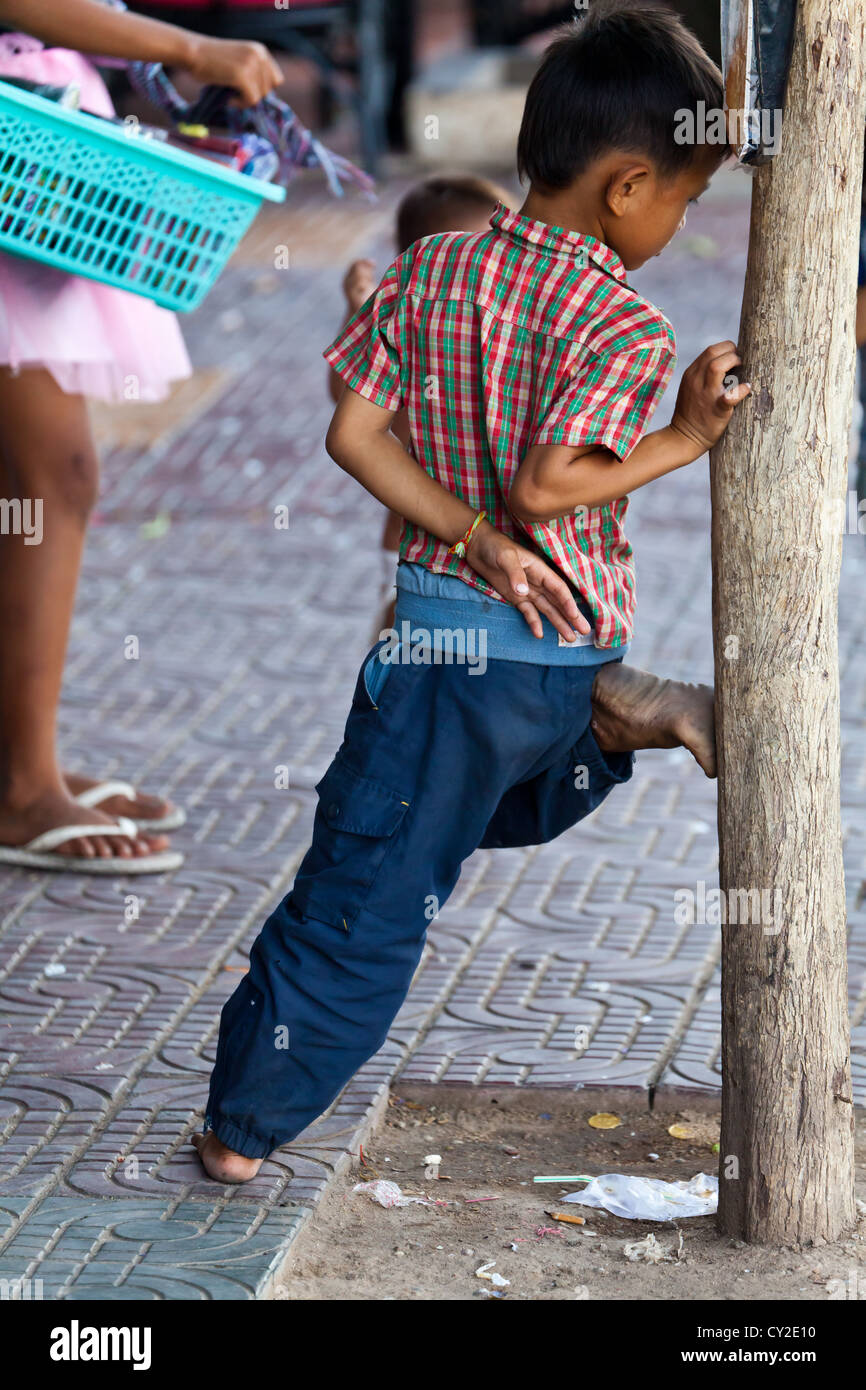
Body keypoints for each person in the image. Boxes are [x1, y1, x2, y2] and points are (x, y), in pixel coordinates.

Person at [194, 0, 750, 1181]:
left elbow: (365, 437)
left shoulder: (434, 267)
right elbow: (554, 488)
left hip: (447, 667)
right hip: (542, 670)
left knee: (363, 889)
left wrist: (671, 443)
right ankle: (610, 712)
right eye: (684, 199)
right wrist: (670, 435)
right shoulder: (622, 317)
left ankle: (241, 1129)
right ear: (624, 186)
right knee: (447, 824)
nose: (680, 221)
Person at [0, 0, 282, 871]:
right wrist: (189, 46)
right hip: (23, 134)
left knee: (40, 483)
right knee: (52, 479)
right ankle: (20, 789)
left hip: (36, 140)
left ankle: (20, 762)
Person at [329, 172, 509, 635]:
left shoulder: (496, 335)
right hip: (417, 539)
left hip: (491, 544)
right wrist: (359, 316)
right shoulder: (409, 329)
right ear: (426, 260)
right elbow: (344, 395)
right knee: (402, 619)